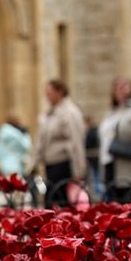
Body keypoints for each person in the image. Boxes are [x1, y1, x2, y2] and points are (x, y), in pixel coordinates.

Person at [36, 79, 87, 208]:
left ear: (60, 92)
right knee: (53, 200)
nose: (48, 96)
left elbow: (76, 141)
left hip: (63, 163)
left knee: (60, 200)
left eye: (50, 92)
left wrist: (79, 170)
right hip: (51, 163)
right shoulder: (50, 114)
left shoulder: (69, 112)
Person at [0, 115, 31, 179]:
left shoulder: (3, 132)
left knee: (7, 186)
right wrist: (25, 135)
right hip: (16, 166)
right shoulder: (18, 135)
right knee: (16, 186)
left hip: (5, 165)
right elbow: (27, 146)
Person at [84, 115, 103, 198]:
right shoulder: (95, 131)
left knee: (95, 177)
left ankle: (99, 194)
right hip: (94, 157)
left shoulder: (92, 132)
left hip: (92, 157)